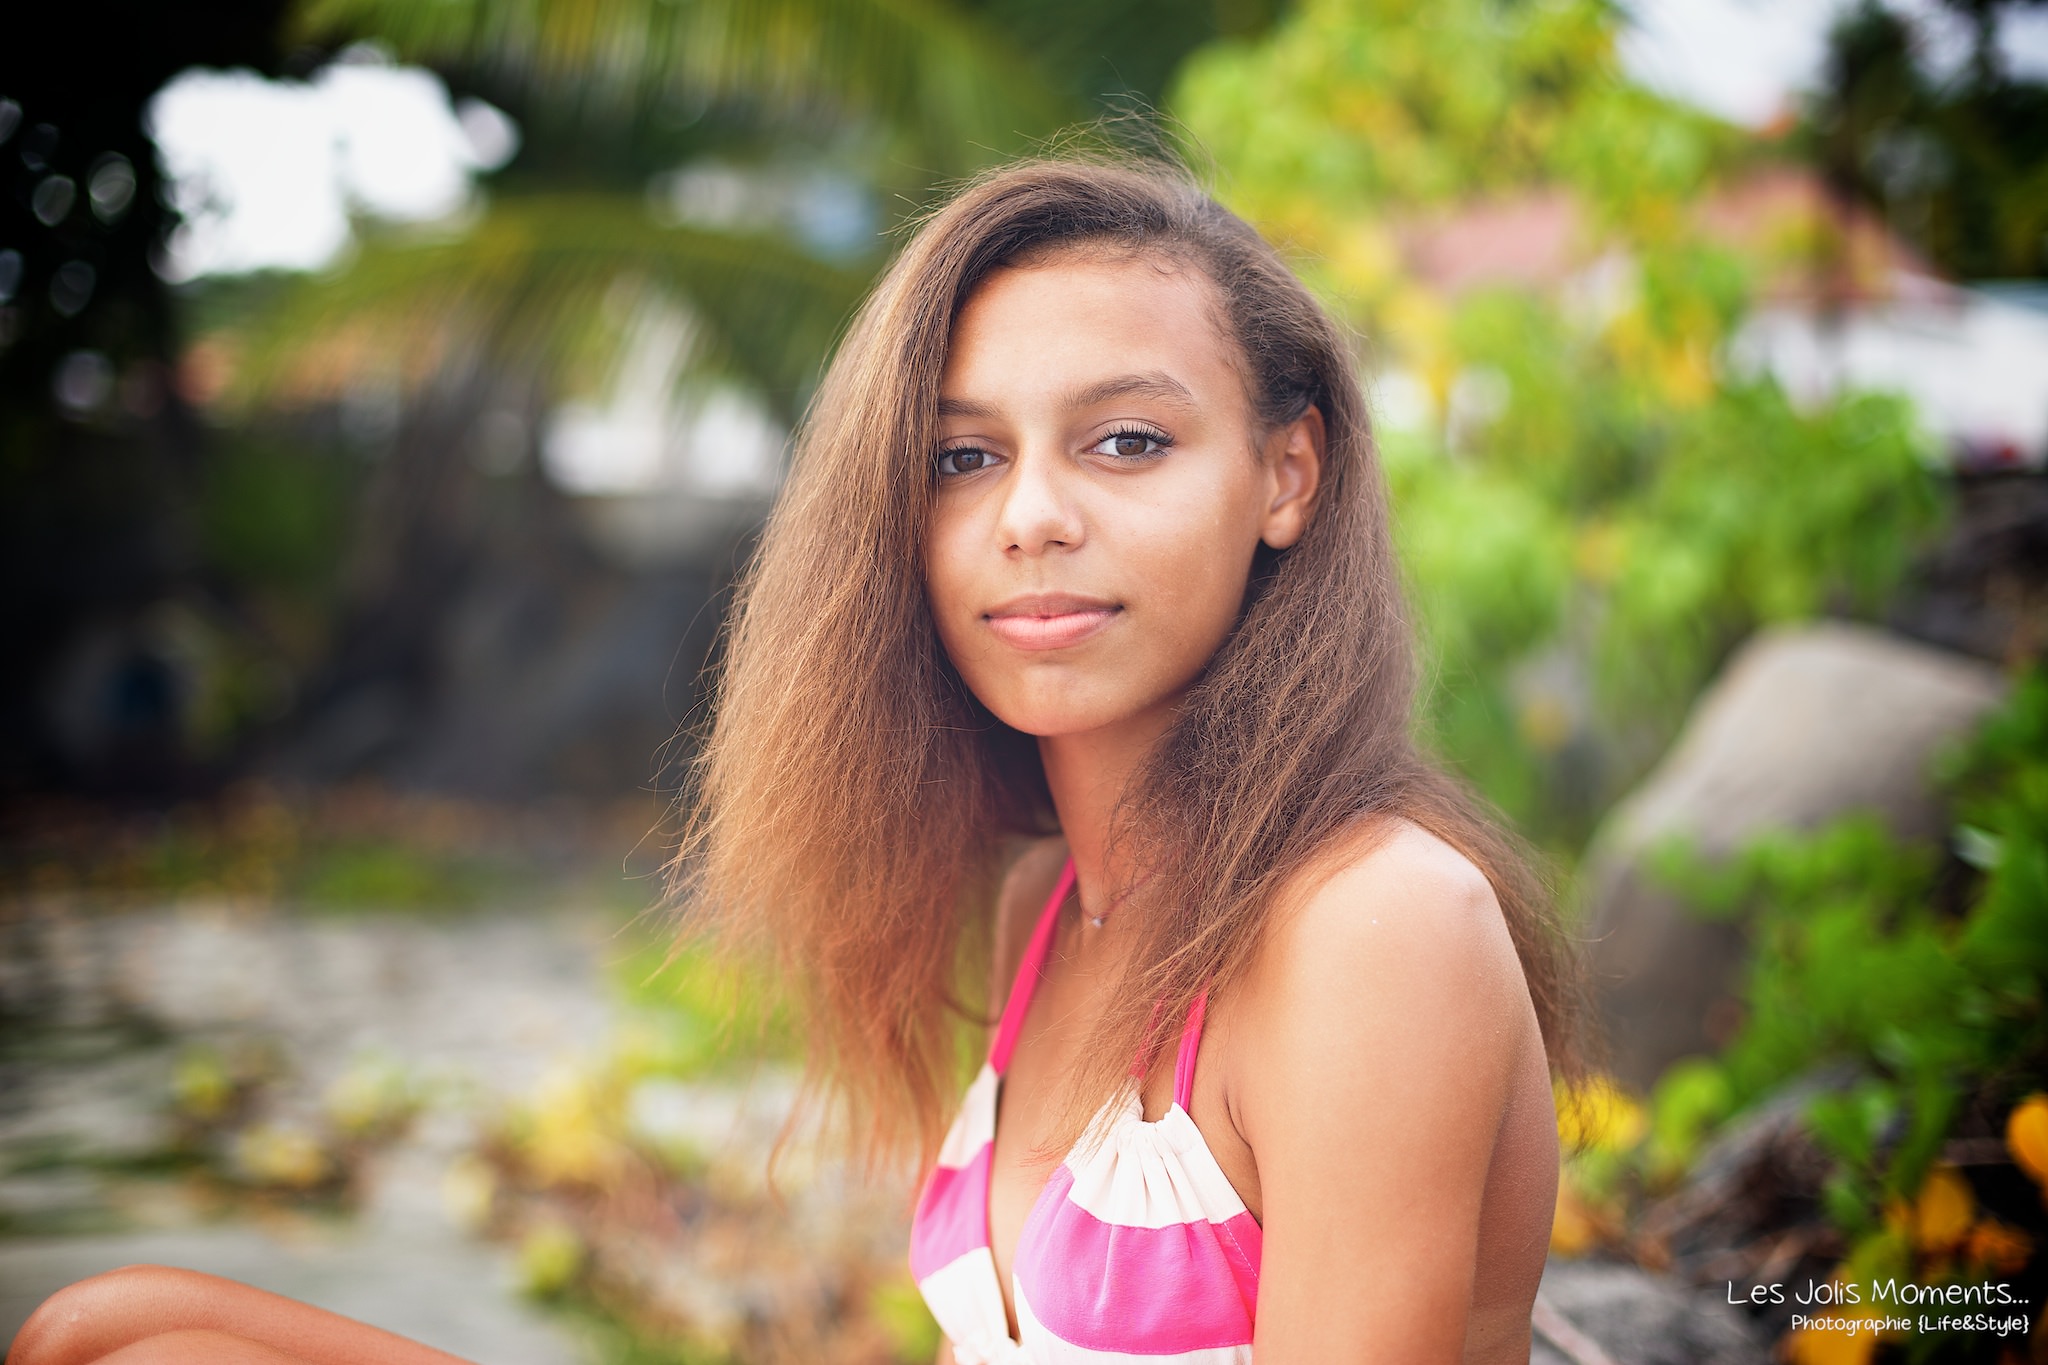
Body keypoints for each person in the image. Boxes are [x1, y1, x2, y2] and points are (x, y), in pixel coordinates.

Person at [8, 154, 1584, 1365]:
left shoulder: (1370, 923)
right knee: (113, 1323)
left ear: (1287, 471)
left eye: (1126, 440)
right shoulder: (1044, 901)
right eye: (962, 458)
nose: (1030, 514)